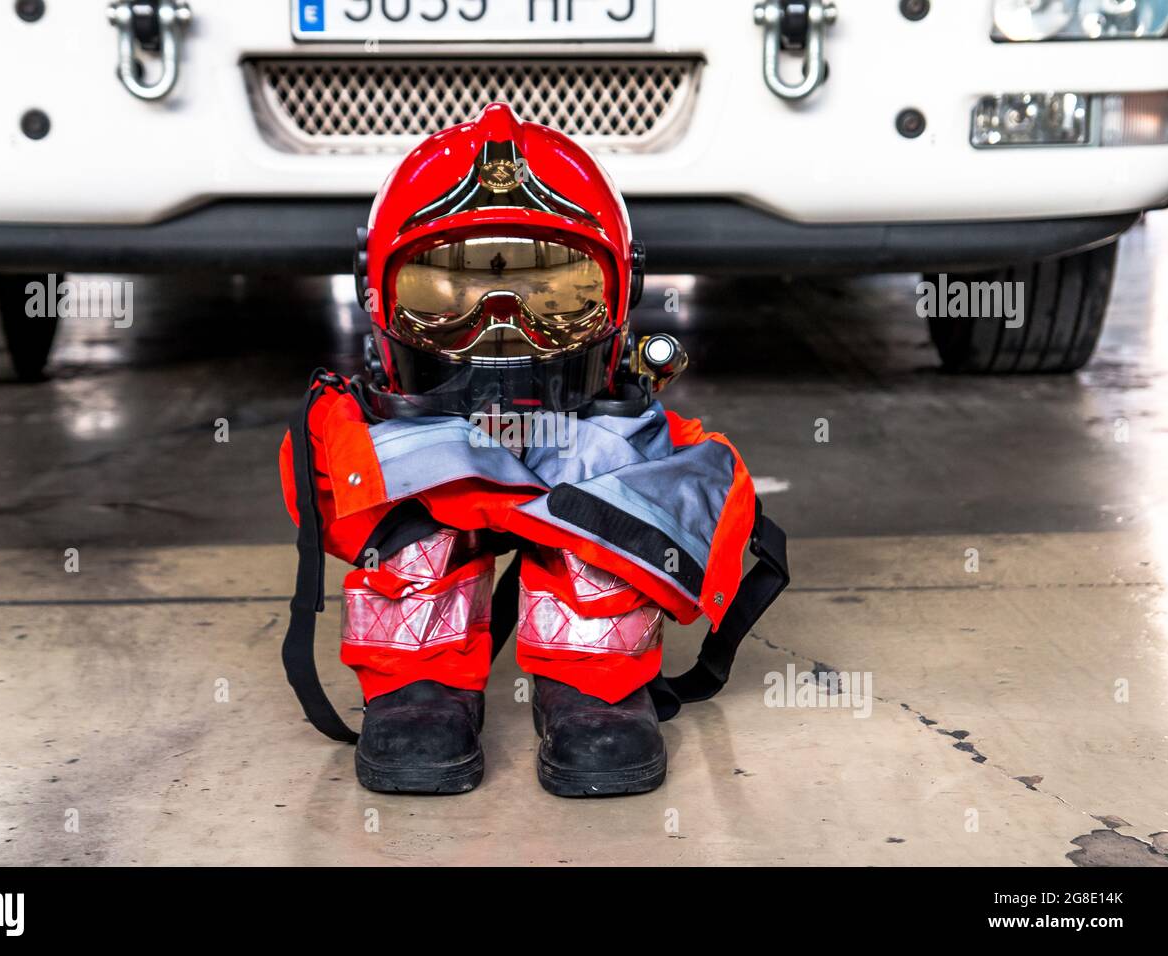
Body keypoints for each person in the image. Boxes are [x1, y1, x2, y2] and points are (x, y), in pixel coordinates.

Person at [279, 103, 788, 797]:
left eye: (551, 292)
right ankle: (418, 676)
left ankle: (593, 678)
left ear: (623, 289)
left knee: (619, 486)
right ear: (376, 291)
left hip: (579, 425)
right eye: (445, 289)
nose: (498, 324)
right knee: (393, 486)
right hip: (425, 426)